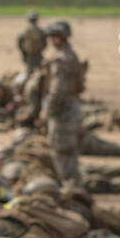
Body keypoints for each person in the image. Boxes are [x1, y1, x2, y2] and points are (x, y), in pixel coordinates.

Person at [42, 19, 84, 187]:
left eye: (56, 37)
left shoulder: (61, 59)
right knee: (68, 153)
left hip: (63, 112)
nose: (53, 40)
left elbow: (57, 90)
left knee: (63, 151)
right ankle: (73, 186)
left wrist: (46, 110)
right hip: (70, 109)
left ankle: (71, 188)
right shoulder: (69, 54)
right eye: (51, 37)